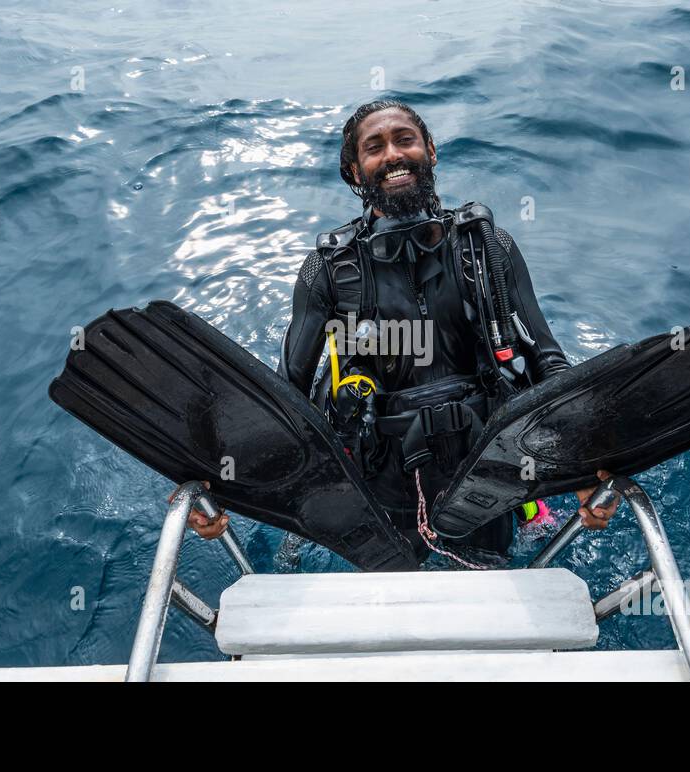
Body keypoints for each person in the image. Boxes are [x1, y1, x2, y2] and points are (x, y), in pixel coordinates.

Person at [185, 99, 619, 561]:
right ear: (354, 171)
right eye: (374, 147)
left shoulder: (486, 247)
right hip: (381, 477)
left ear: (430, 151)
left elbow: (549, 363)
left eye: (404, 139)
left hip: (486, 471)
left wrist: (582, 467)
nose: (392, 154)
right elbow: (285, 395)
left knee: (495, 586)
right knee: (386, 606)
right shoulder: (329, 270)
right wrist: (220, 487)